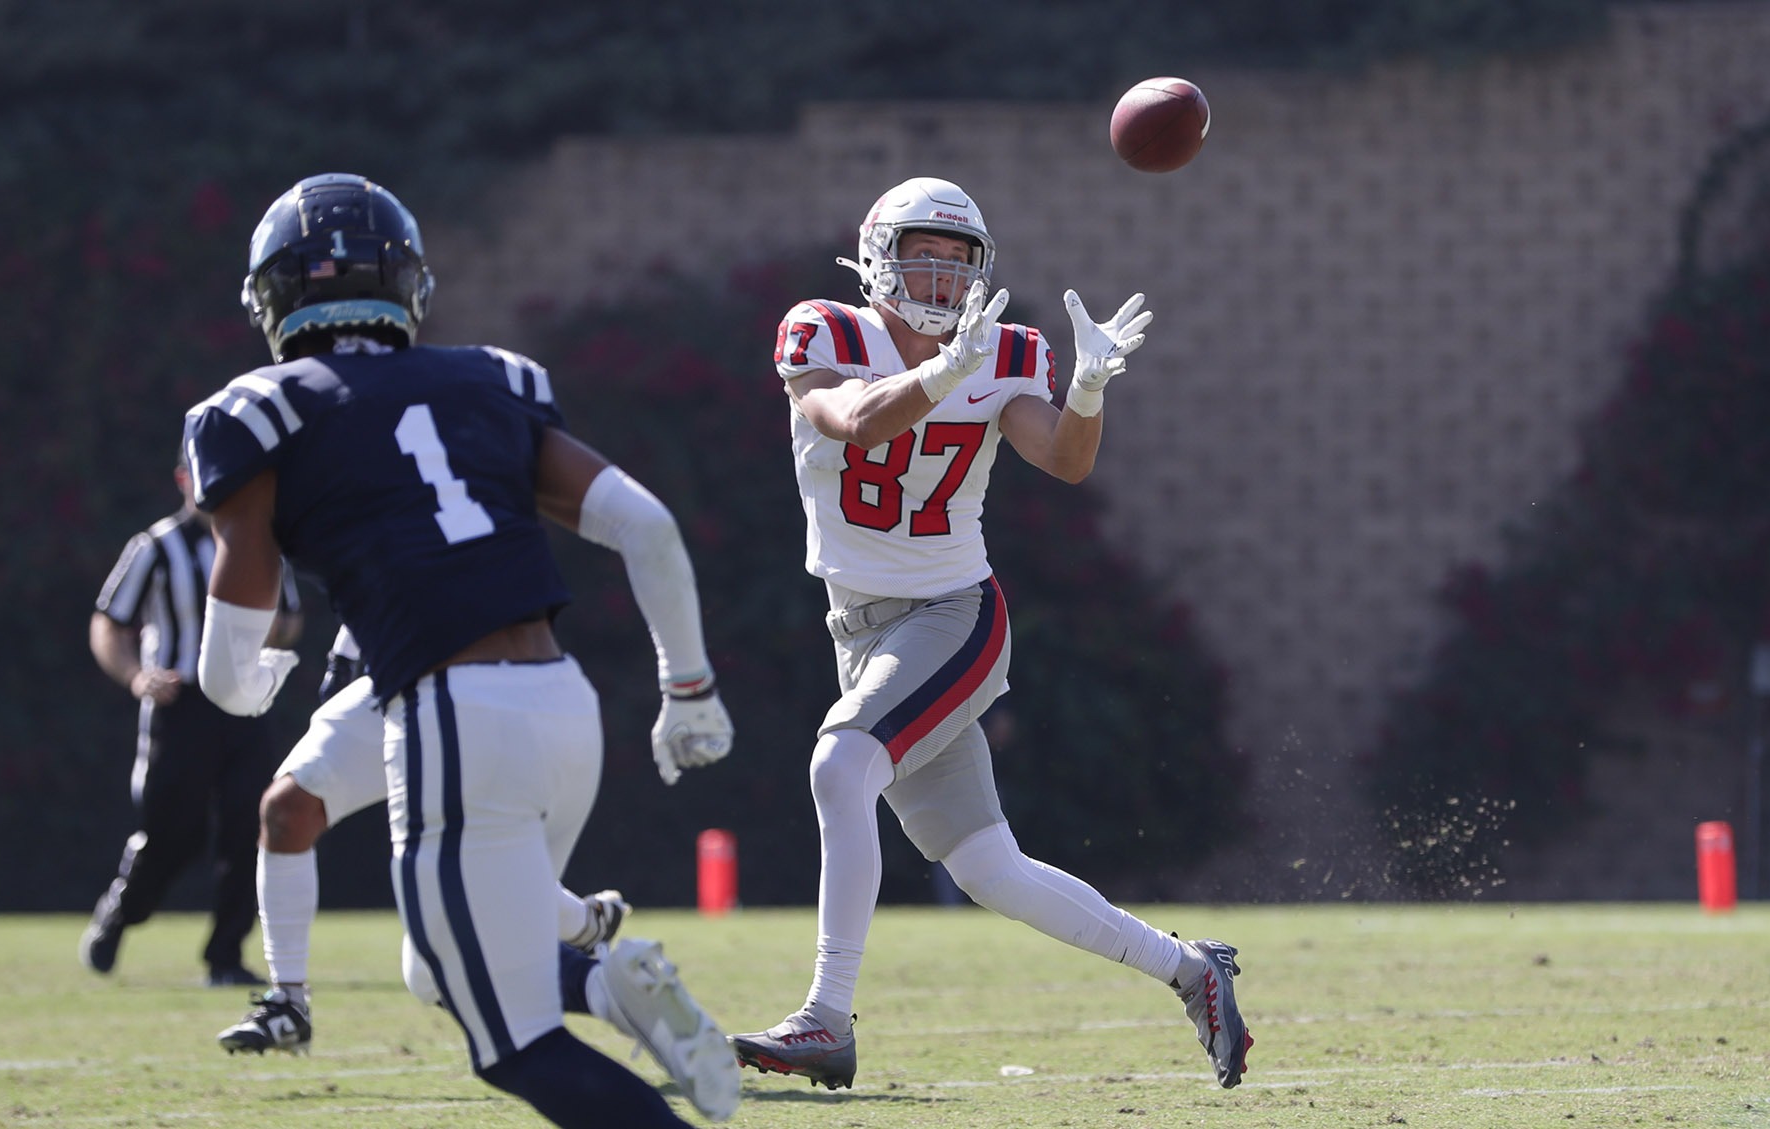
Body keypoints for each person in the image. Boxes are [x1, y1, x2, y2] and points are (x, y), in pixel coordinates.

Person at [182, 173, 742, 1126]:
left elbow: (228, 677)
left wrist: (259, 675)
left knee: (514, 1044)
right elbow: (645, 525)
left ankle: (612, 996)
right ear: (409, 285)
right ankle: (616, 985)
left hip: (451, 719)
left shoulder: (256, 409)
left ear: (273, 296)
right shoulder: (491, 378)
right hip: (565, 711)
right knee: (439, 968)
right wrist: (688, 688)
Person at [728, 176, 1252, 1091]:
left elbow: (1062, 458)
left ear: (980, 270)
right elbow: (847, 422)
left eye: (956, 258)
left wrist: (1086, 391)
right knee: (987, 868)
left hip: (952, 614)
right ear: (875, 255)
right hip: (857, 625)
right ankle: (1190, 969)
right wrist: (939, 372)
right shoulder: (823, 327)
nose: (938, 276)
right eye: (921, 253)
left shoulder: (1004, 350)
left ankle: (825, 1016)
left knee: (838, 764)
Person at [215, 624, 629, 1059]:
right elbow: (365, 564)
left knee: (434, 955)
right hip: (392, 678)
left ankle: (588, 937)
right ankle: (288, 1001)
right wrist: (345, 650)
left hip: (473, 685)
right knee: (286, 809)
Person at [81, 459, 304, 986]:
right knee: (170, 834)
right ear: (185, 480)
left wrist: (255, 628)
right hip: (179, 705)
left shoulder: (262, 544)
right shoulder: (154, 547)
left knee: (248, 828)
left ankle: (225, 957)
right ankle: (122, 910)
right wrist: (138, 678)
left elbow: (291, 621)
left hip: (244, 703)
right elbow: (108, 624)